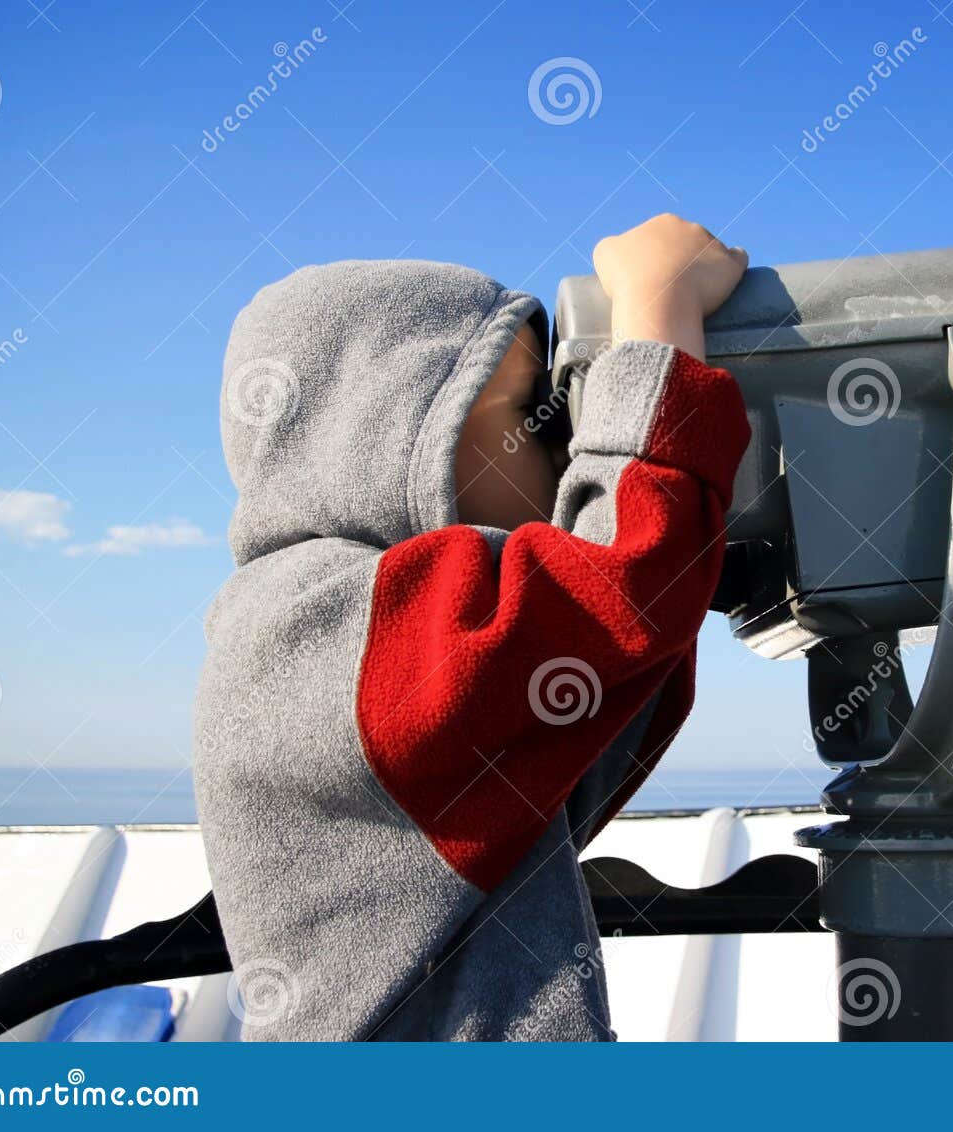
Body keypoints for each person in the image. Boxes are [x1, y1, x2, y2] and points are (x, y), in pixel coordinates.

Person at [192, 214, 751, 1040]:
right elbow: (621, 595)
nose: (561, 447)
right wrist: (657, 306)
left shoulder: (320, 625)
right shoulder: (300, 630)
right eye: (532, 412)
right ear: (387, 439)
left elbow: (624, 660)